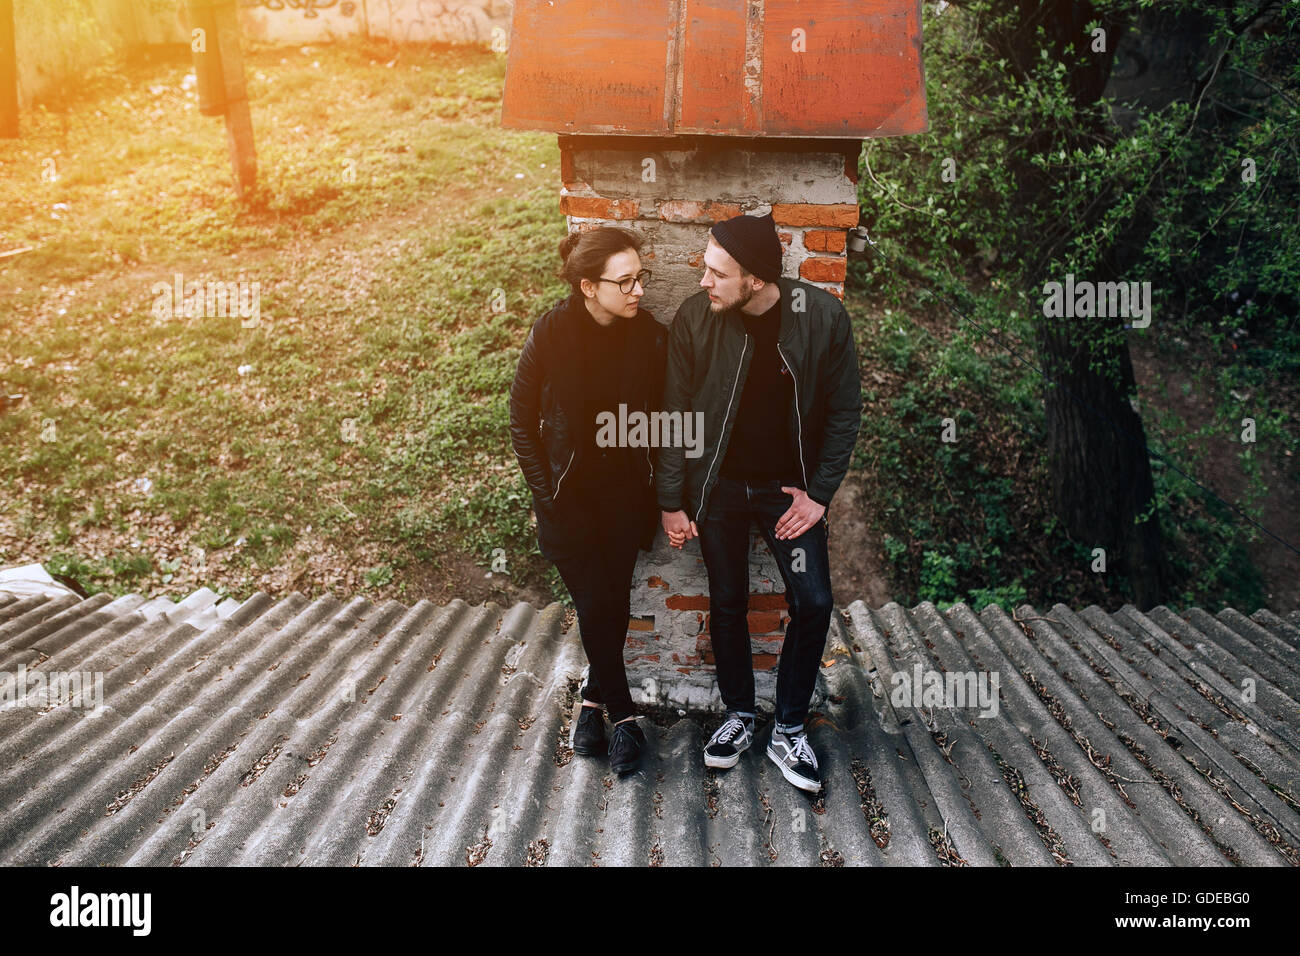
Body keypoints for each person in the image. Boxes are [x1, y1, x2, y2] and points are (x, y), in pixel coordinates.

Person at [657, 212, 862, 792]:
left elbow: (845, 412)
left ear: (755, 278)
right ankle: (740, 715)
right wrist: (672, 499)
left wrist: (819, 494)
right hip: (716, 488)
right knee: (727, 600)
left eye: (716, 273)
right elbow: (673, 416)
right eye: (705, 268)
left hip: (786, 494)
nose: (703, 282)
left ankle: (789, 726)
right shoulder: (696, 320)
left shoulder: (821, 318)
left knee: (814, 602)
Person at [508, 226, 665, 776]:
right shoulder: (552, 333)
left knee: (613, 604)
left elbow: (666, 422)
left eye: (640, 278)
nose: (638, 290)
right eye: (624, 282)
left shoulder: (648, 338)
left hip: (624, 498)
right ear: (587, 287)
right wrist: (544, 492)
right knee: (596, 603)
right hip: (567, 501)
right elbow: (521, 420)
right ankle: (623, 715)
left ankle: (592, 707)